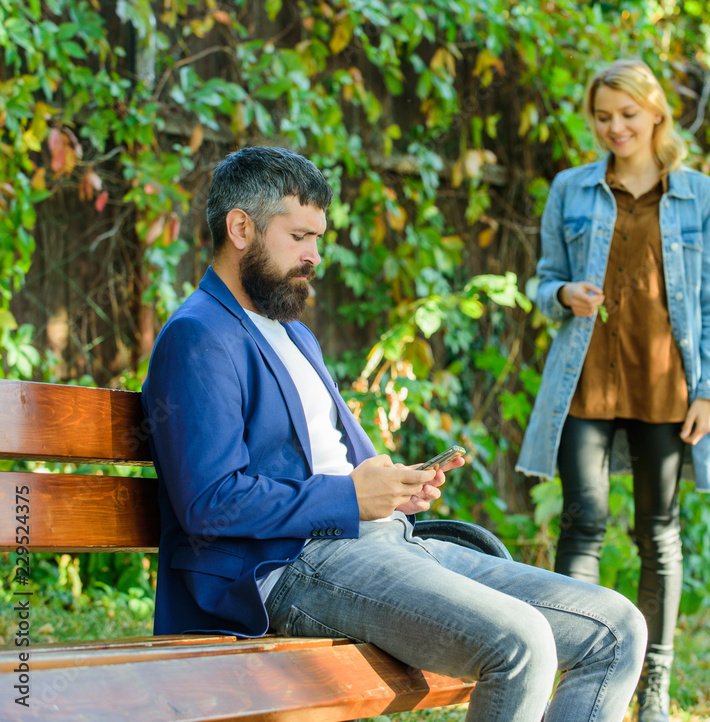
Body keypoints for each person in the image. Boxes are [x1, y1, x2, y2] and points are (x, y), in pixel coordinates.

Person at [141, 145, 647, 722]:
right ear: (240, 228)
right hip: (288, 567)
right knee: (521, 641)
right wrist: (351, 498)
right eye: (300, 236)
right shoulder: (198, 335)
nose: (315, 256)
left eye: (318, 239)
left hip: (386, 543)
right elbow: (209, 502)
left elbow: (338, 462)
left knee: (617, 627)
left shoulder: (292, 333)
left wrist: (396, 487)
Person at [516, 59, 710, 722]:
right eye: (604, 116)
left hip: (668, 386)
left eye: (628, 115)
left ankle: (655, 686)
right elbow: (541, 283)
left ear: (656, 113)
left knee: (658, 532)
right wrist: (561, 294)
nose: (616, 127)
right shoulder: (571, 190)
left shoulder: (701, 196)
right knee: (581, 525)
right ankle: (577, 676)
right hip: (583, 384)